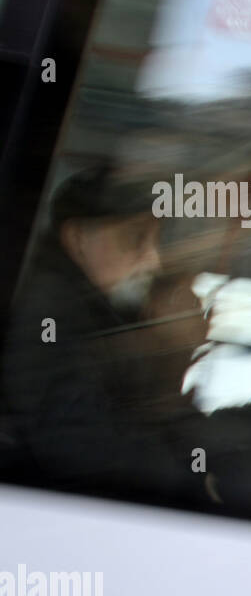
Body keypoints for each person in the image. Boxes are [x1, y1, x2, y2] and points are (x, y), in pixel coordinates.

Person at [2, 165, 213, 505]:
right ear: (78, 239)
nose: (152, 259)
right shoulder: (48, 318)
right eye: (134, 238)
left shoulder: (87, 310)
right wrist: (171, 351)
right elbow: (82, 447)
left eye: (154, 240)